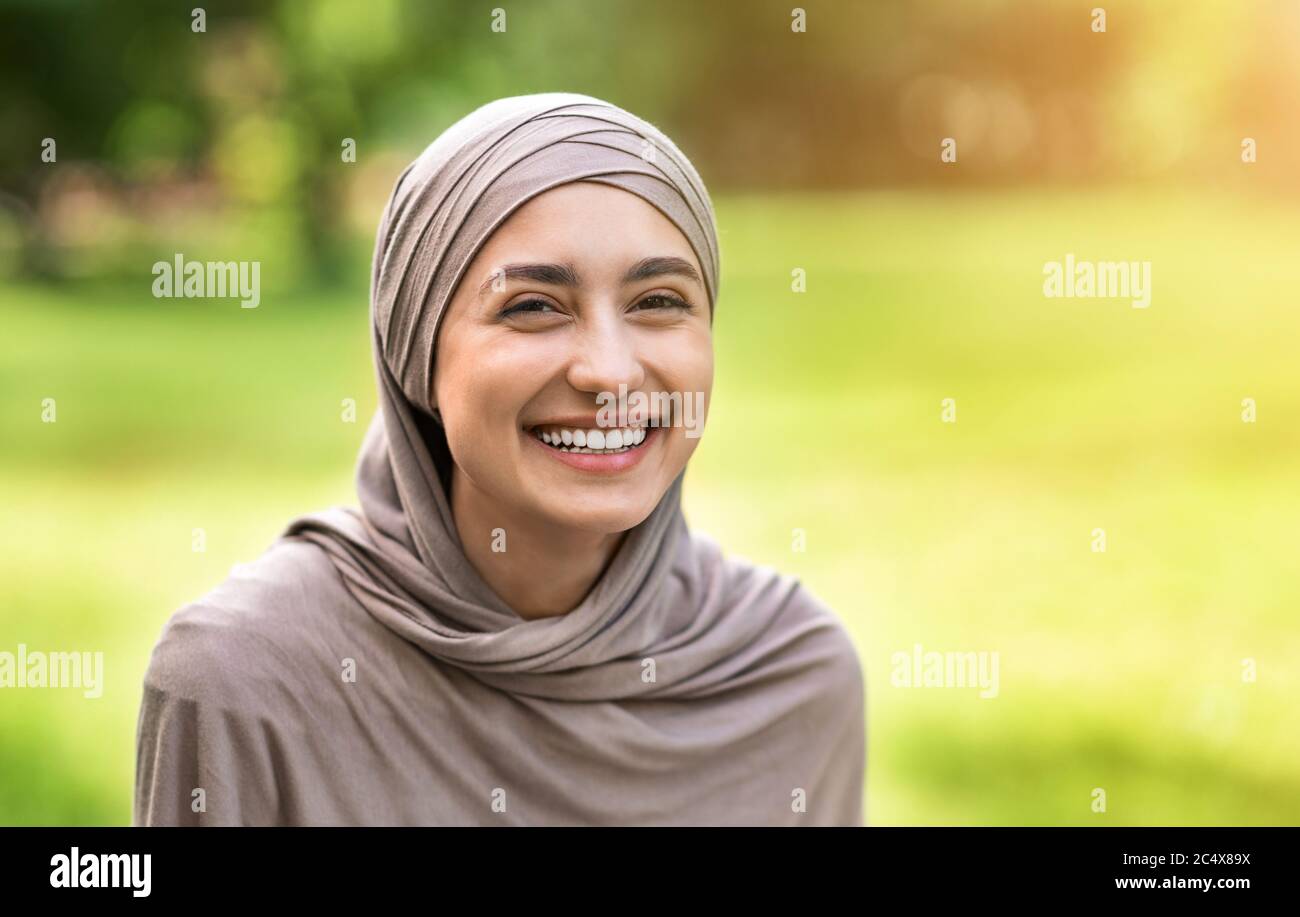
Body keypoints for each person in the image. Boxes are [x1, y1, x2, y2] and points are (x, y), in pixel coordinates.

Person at [133, 92, 865, 826]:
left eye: (658, 300)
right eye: (533, 306)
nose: (609, 373)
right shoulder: (241, 681)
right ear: (415, 350)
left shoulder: (792, 676)